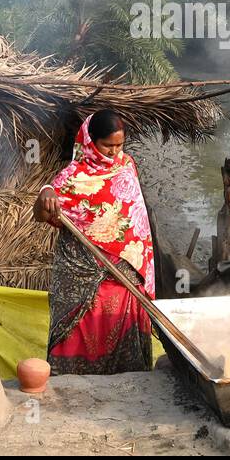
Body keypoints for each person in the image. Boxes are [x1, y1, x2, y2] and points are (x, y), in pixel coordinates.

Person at [33, 109, 155, 374]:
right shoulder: (72, 177)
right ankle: (72, 387)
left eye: (119, 145)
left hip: (125, 275)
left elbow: (136, 221)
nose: (114, 152)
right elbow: (41, 213)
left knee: (123, 338)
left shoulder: (127, 166)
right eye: (107, 145)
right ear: (90, 141)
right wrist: (45, 194)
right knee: (80, 331)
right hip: (84, 274)